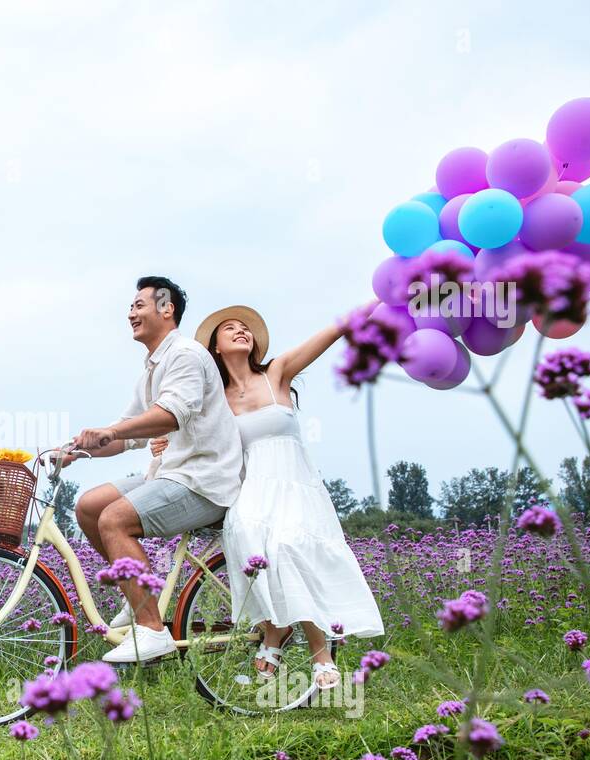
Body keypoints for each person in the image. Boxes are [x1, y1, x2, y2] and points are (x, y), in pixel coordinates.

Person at [186, 305, 384, 688]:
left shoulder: (276, 373)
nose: (242, 331)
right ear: (215, 348)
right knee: (244, 536)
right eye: (230, 329)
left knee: (288, 546)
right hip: (252, 486)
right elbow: (182, 431)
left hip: (294, 482)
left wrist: (379, 298)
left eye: (246, 328)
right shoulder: (215, 400)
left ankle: (319, 651)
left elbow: (335, 329)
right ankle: (272, 628)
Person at [69, 277, 242, 664]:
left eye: (139, 305)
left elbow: (169, 416)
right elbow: (126, 435)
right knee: (89, 507)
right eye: (130, 307)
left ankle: (151, 629)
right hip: (171, 472)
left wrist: (112, 431)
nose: (131, 313)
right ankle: (139, 594)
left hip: (204, 480)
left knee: (114, 520)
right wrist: (76, 451)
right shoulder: (153, 367)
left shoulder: (185, 355)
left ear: (167, 309)